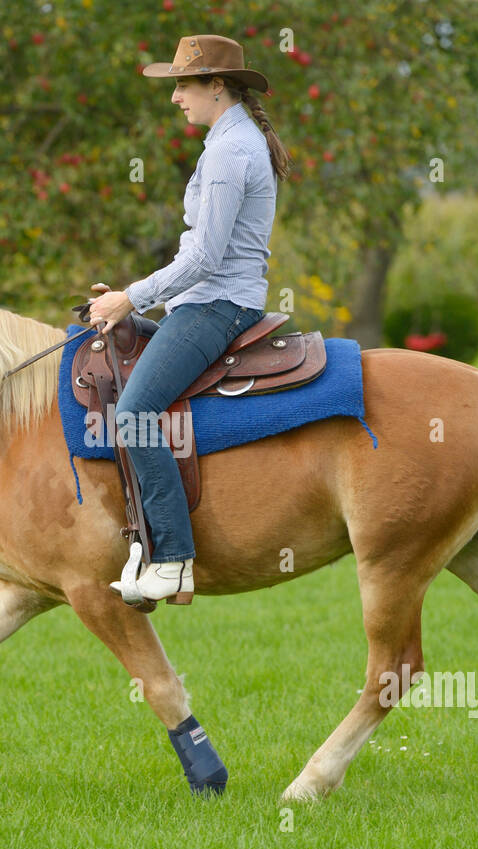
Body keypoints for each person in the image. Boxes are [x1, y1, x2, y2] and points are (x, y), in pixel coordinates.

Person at [87, 34, 292, 604]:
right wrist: (126, 302)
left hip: (217, 306)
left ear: (216, 87)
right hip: (202, 301)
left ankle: (173, 557)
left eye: (183, 85)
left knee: (132, 412)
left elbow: (204, 257)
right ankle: (139, 541)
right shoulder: (229, 141)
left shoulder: (231, 152)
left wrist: (130, 297)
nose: (176, 97)